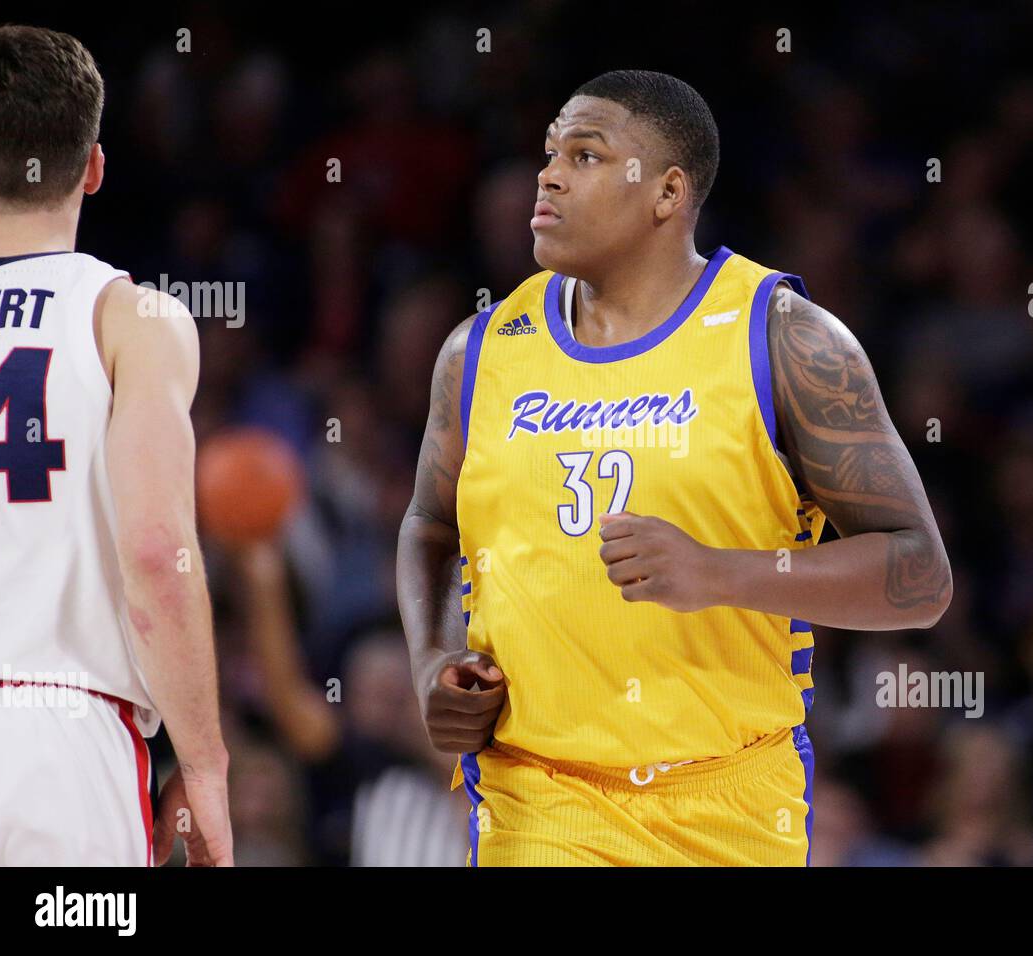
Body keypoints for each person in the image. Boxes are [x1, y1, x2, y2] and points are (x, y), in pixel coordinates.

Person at [397, 70, 951, 866]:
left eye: (585, 155)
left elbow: (921, 576)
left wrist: (719, 573)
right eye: (549, 153)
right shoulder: (478, 350)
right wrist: (432, 661)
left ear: (667, 191)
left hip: (731, 803)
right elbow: (430, 522)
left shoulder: (787, 339)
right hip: (538, 804)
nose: (548, 175)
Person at [0, 25, 231, 866]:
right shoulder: (133, 319)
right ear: (93, 167)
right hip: (60, 744)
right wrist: (204, 763)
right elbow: (157, 550)